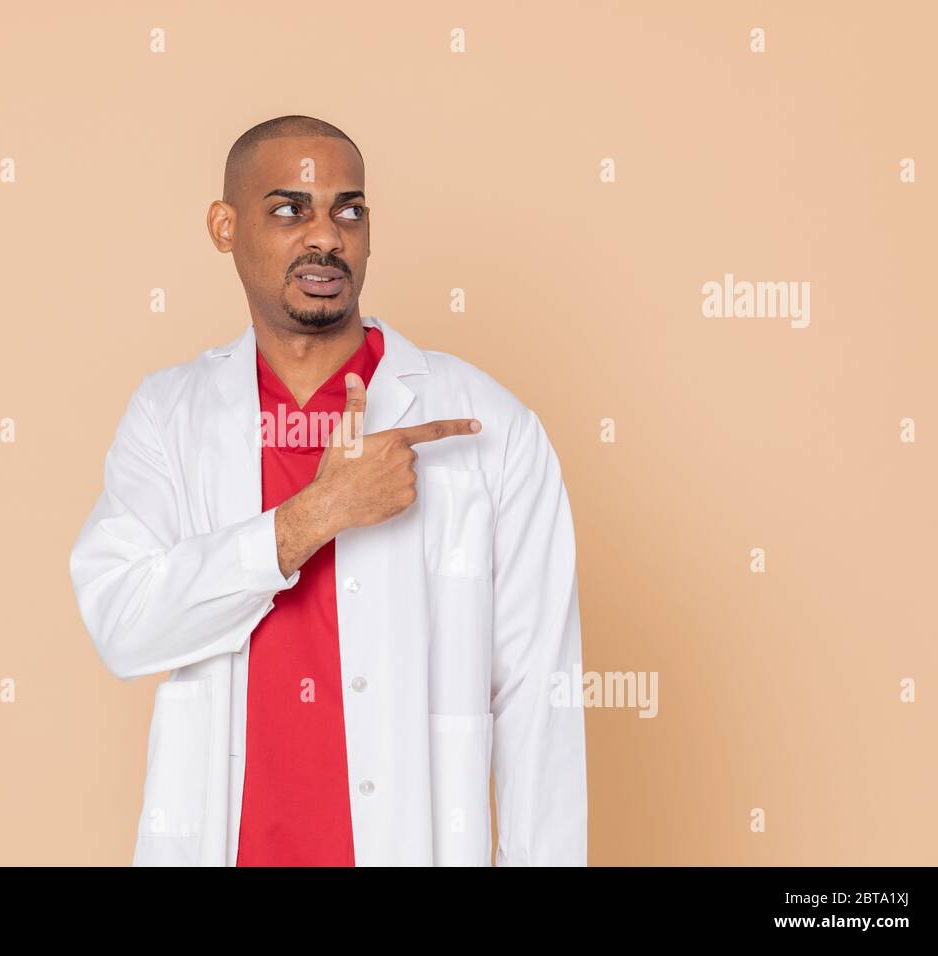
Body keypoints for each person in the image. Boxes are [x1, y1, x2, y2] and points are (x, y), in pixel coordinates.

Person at [69, 115, 587, 866]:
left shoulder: (488, 426)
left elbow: (542, 699)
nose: (327, 237)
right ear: (224, 225)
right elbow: (122, 625)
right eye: (290, 210)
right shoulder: (169, 415)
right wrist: (310, 519)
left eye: (350, 210)